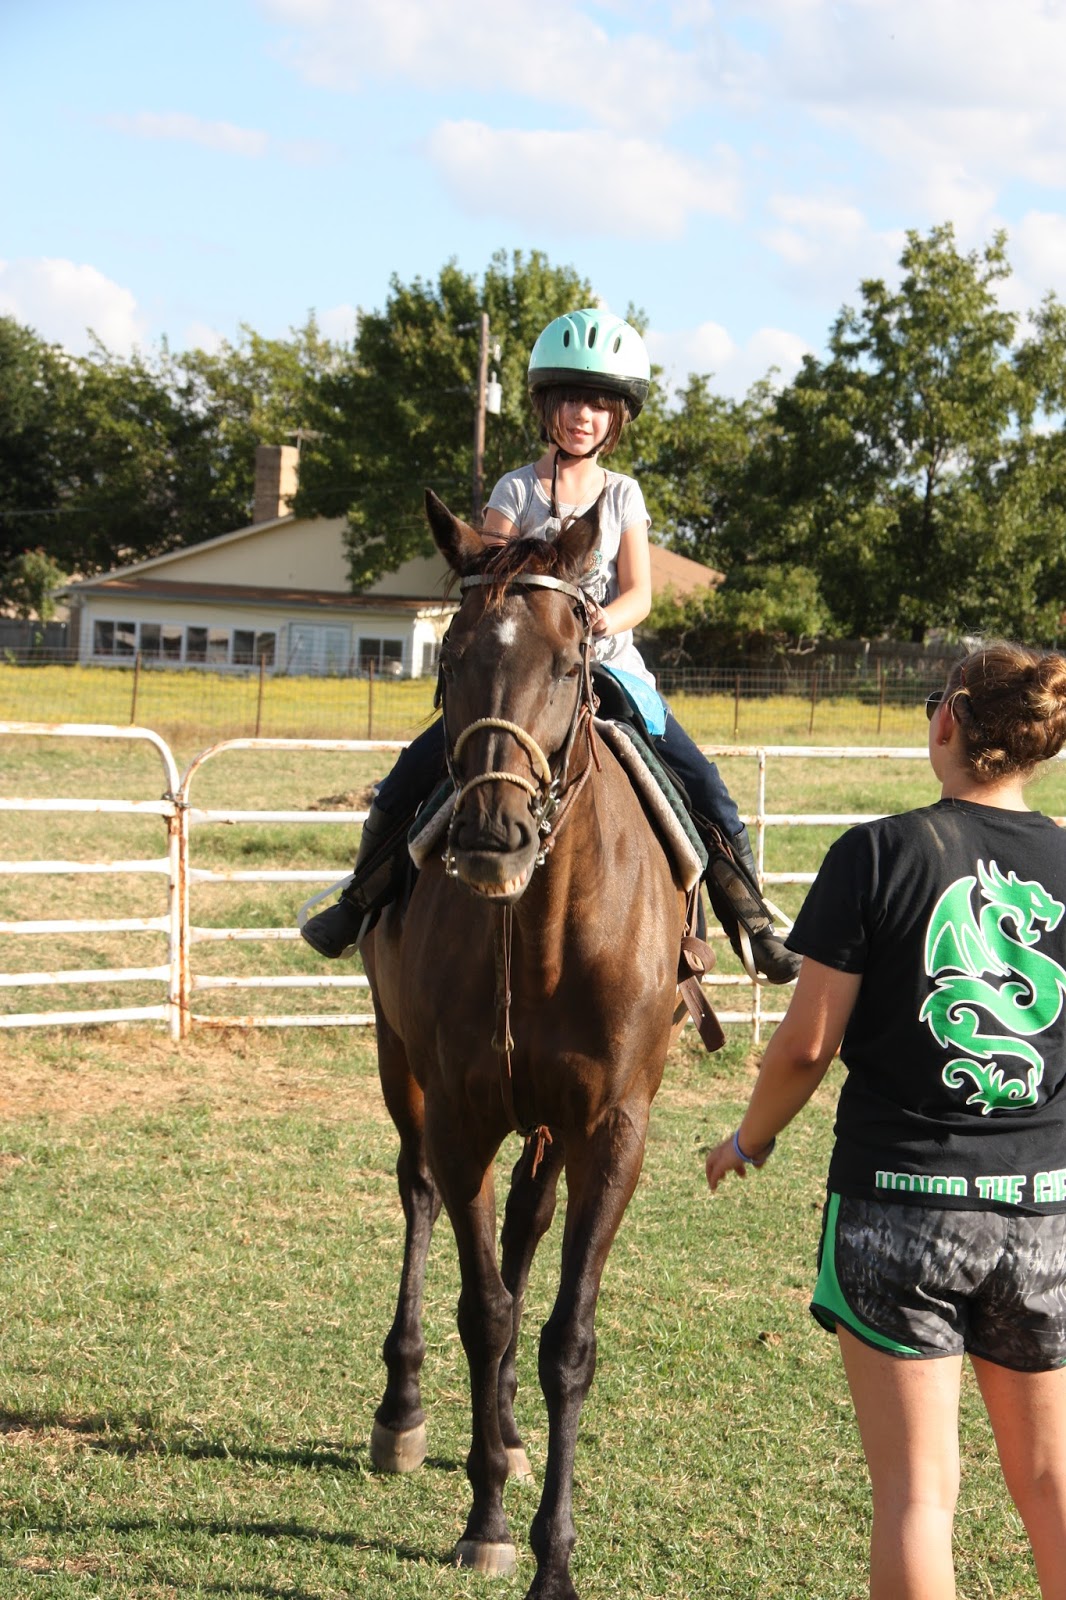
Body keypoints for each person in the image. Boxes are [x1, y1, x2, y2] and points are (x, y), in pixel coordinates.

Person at [705, 640, 1066, 1600]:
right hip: (1044, 1212)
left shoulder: (877, 852)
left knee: (918, 1494)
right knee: (1052, 1480)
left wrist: (749, 1139)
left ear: (947, 720)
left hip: (896, 1206)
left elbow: (804, 1047)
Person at [300, 308, 799, 985]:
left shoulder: (623, 496)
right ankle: (360, 899)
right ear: (545, 407)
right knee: (415, 770)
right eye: (570, 400)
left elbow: (640, 595)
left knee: (701, 781)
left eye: (598, 404)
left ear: (617, 417)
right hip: (525, 675)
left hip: (609, 669)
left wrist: (599, 622)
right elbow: (488, 576)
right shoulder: (514, 490)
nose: (582, 416)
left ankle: (751, 922)